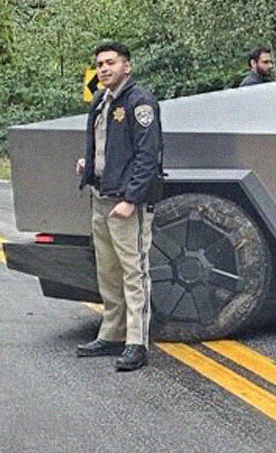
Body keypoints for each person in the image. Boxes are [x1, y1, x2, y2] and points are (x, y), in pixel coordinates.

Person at [74, 42, 163, 372]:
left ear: (127, 66)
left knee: (133, 271)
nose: (104, 69)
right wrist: (91, 164)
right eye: (99, 64)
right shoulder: (101, 101)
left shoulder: (139, 101)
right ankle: (112, 334)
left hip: (127, 202)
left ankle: (136, 343)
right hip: (101, 196)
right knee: (108, 271)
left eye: (111, 62)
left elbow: (147, 155)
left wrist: (132, 199)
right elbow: (108, 145)